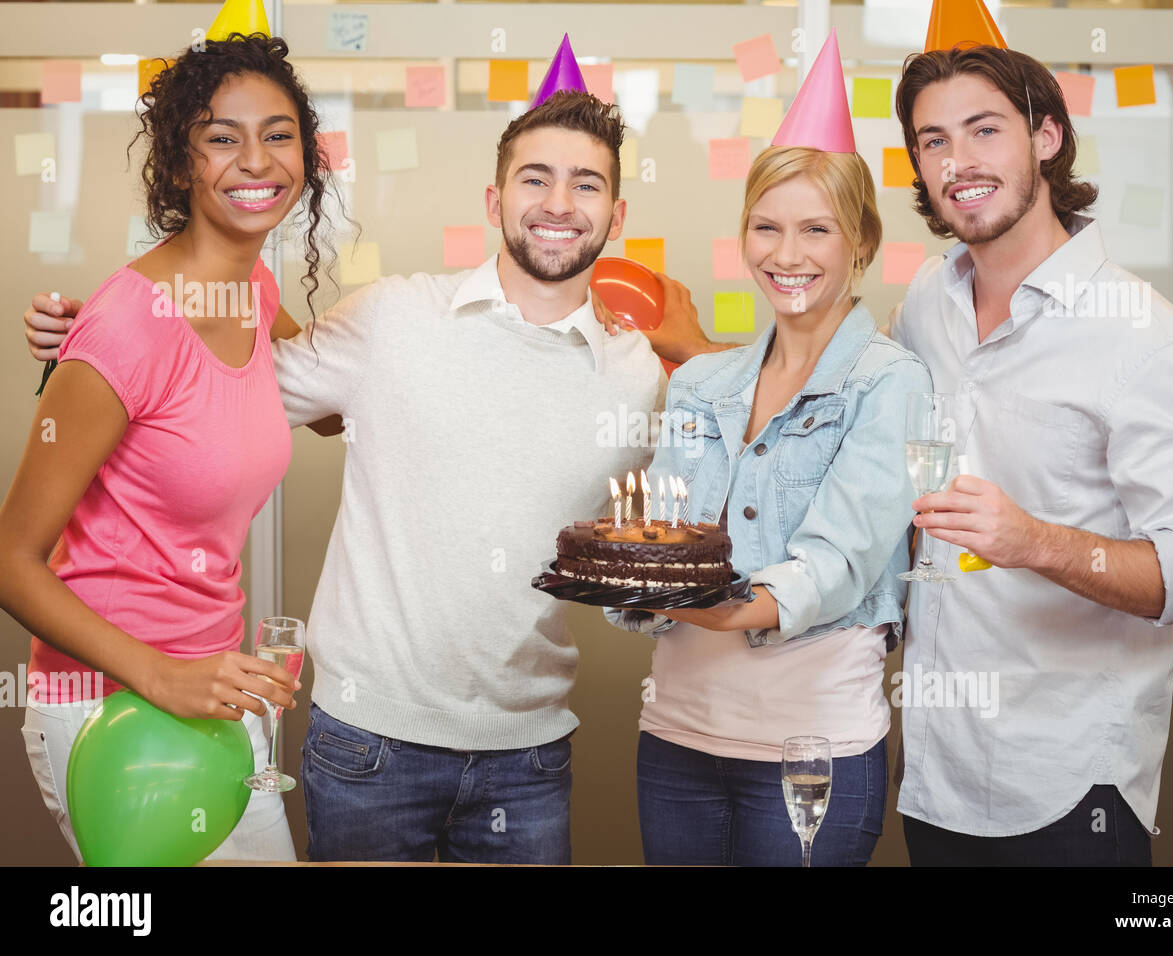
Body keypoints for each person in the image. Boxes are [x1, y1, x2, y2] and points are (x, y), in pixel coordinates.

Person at [25, 88, 669, 863]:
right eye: (535, 179)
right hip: (365, 746)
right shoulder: (394, 319)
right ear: (496, 200)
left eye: (586, 184)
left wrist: (695, 347)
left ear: (619, 215)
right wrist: (97, 336)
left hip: (529, 755)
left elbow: (664, 527)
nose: (558, 203)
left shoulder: (640, 377)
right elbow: (206, 365)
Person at [883, 44, 1173, 866]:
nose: (958, 162)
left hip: (1071, 789)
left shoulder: (1151, 342)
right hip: (934, 773)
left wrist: (1032, 540)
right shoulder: (927, 303)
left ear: (1046, 137)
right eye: (932, 141)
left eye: (984, 130)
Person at [0, 33, 338, 862]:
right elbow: (10, 558)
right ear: (180, 163)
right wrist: (160, 674)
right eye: (223, 137)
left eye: (279, 133)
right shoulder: (125, 324)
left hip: (215, 692)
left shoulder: (252, 290)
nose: (256, 159)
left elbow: (329, 399)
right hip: (114, 705)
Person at [605, 35, 931, 866]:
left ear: (860, 241)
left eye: (815, 230)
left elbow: (841, 564)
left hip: (812, 748)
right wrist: (627, 580)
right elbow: (666, 545)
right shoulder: (701, 385)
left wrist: (718, 605)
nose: (787, 256)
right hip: (676, 738)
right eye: (767, 227)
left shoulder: (889, 384)